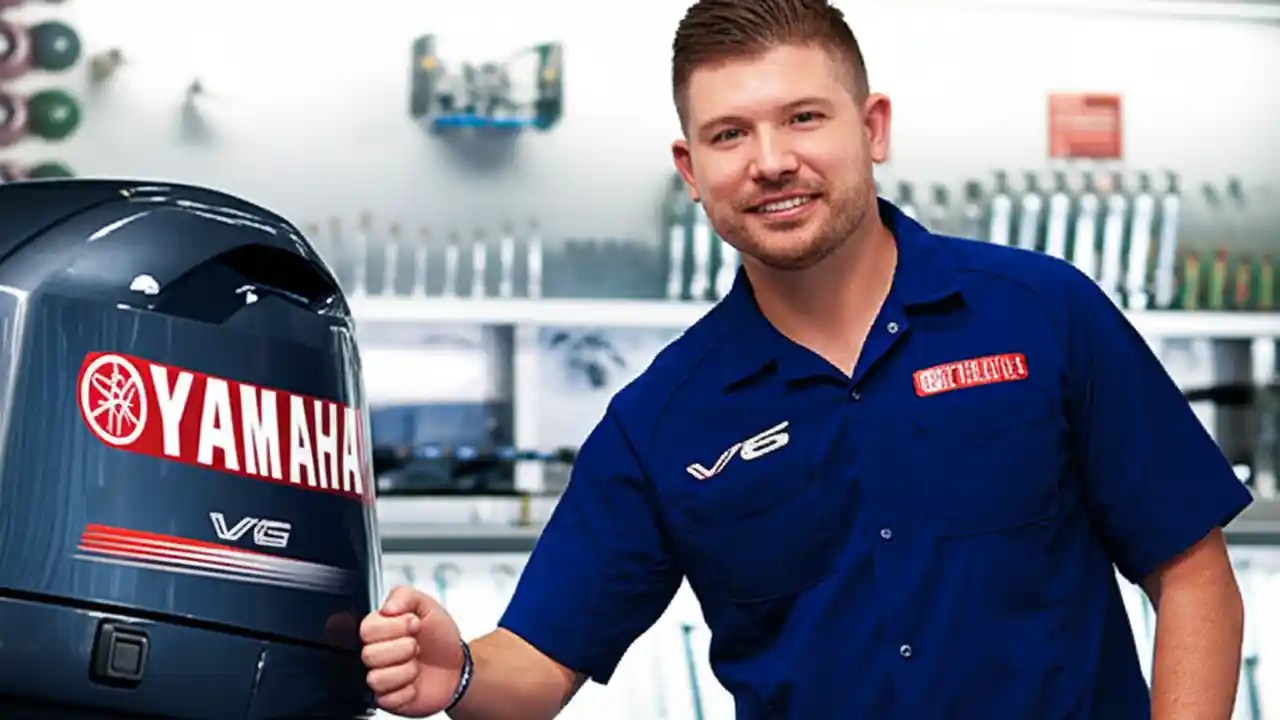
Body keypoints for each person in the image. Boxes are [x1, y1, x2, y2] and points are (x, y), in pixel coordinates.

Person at [359, 0, 1253, 717]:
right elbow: (539, 661)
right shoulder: (662, 421)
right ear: (690, 169)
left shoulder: (1042, 314)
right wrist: (459, 672)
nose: (771, 161)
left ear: (872, 127)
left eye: (803, 118)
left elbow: (1191, 573)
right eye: (729, 134)